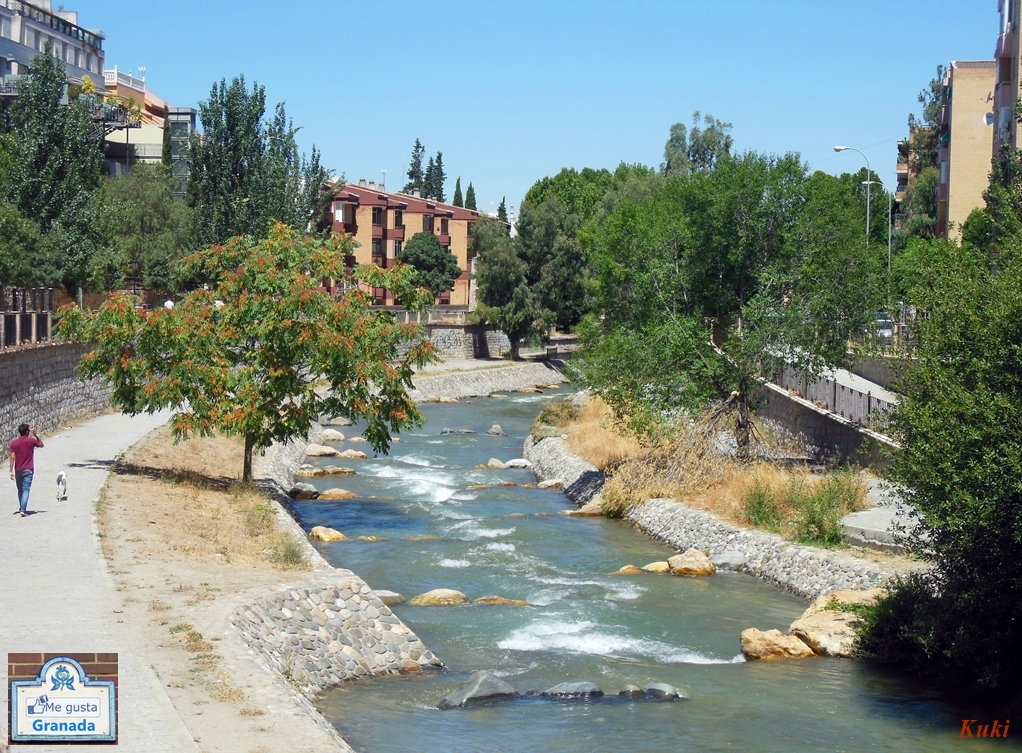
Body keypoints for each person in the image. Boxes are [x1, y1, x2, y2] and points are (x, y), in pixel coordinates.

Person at [9, 423, 43, 517]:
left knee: (20, 490)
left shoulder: (14, 443)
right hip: (28, 469)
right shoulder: (31, 441)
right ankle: (23, 509)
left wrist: (10, 470)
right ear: (27, 431)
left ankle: (21, 507)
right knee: (26, 489)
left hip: (18, 469)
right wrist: (35, 434)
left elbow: (12, 457)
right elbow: (41, 444)